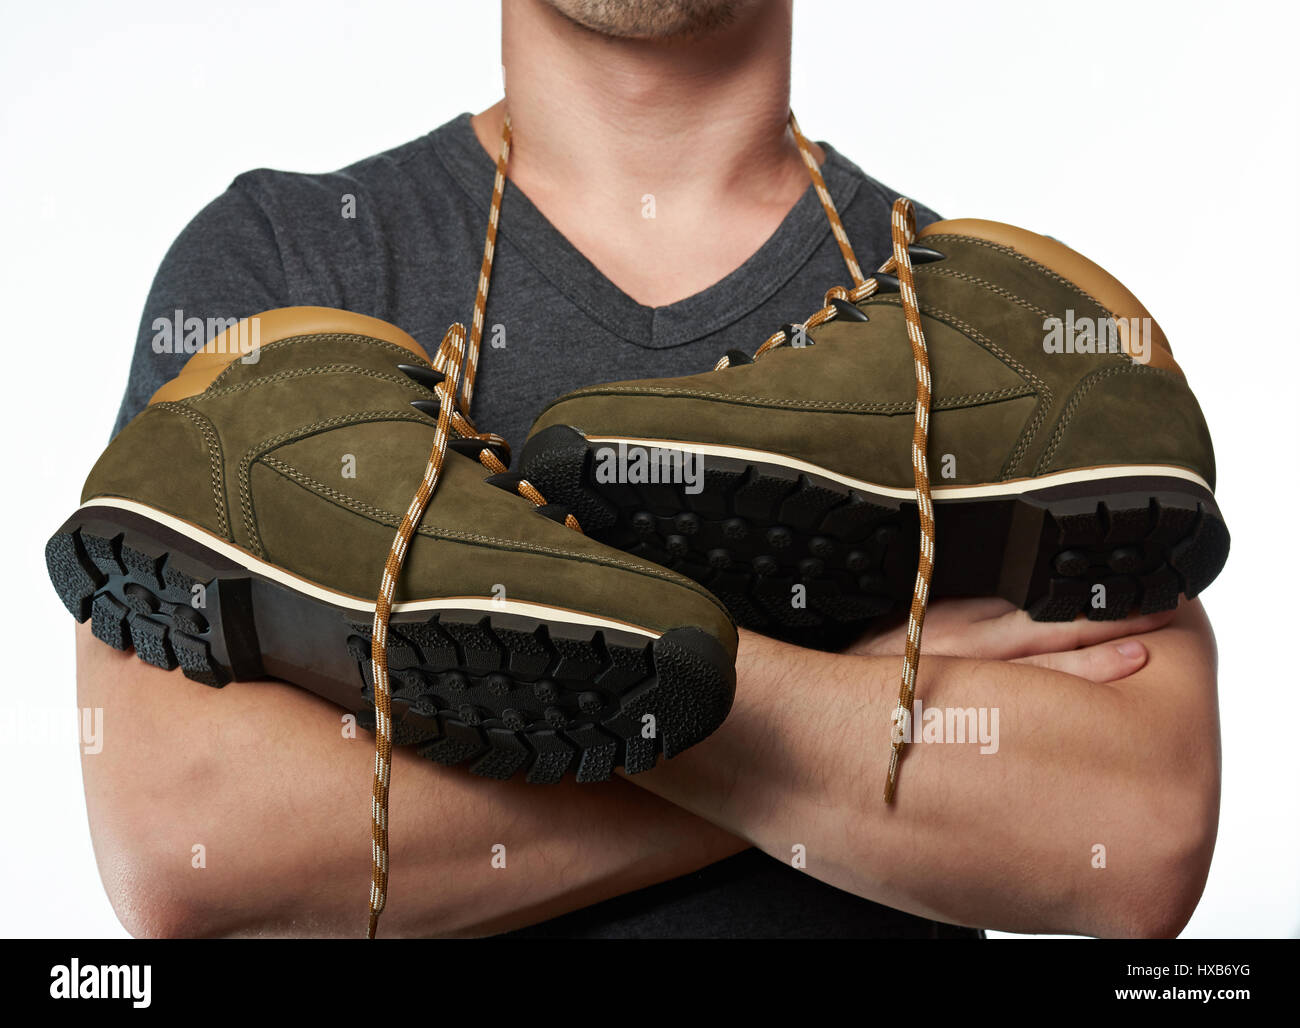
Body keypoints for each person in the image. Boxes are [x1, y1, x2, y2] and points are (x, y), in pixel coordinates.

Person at [78, 0, 1219, 938]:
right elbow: (191, 834)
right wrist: (834, 696)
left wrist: (519, 699)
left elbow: (1130, 830)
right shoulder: (290, 261)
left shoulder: (973, 332)